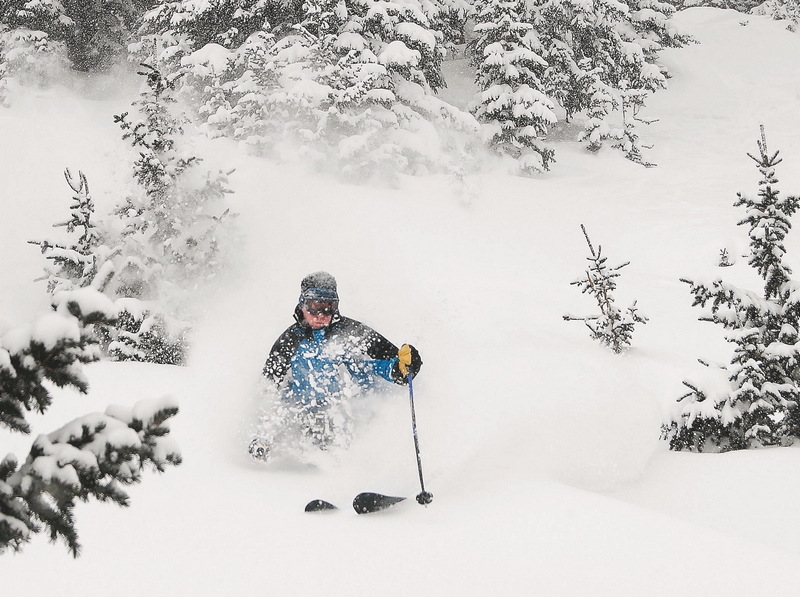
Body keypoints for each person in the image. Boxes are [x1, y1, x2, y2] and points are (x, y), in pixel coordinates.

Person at [249, 271, 422, 462]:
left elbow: (391, 362)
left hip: (351, 418)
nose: (321, 315)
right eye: (314, 306)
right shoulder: (289, 342)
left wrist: (405, 366)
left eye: (328, 307)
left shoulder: (352, 332)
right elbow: (269, 390)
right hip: (305, 420)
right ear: (302, 305)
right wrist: (263, 434)